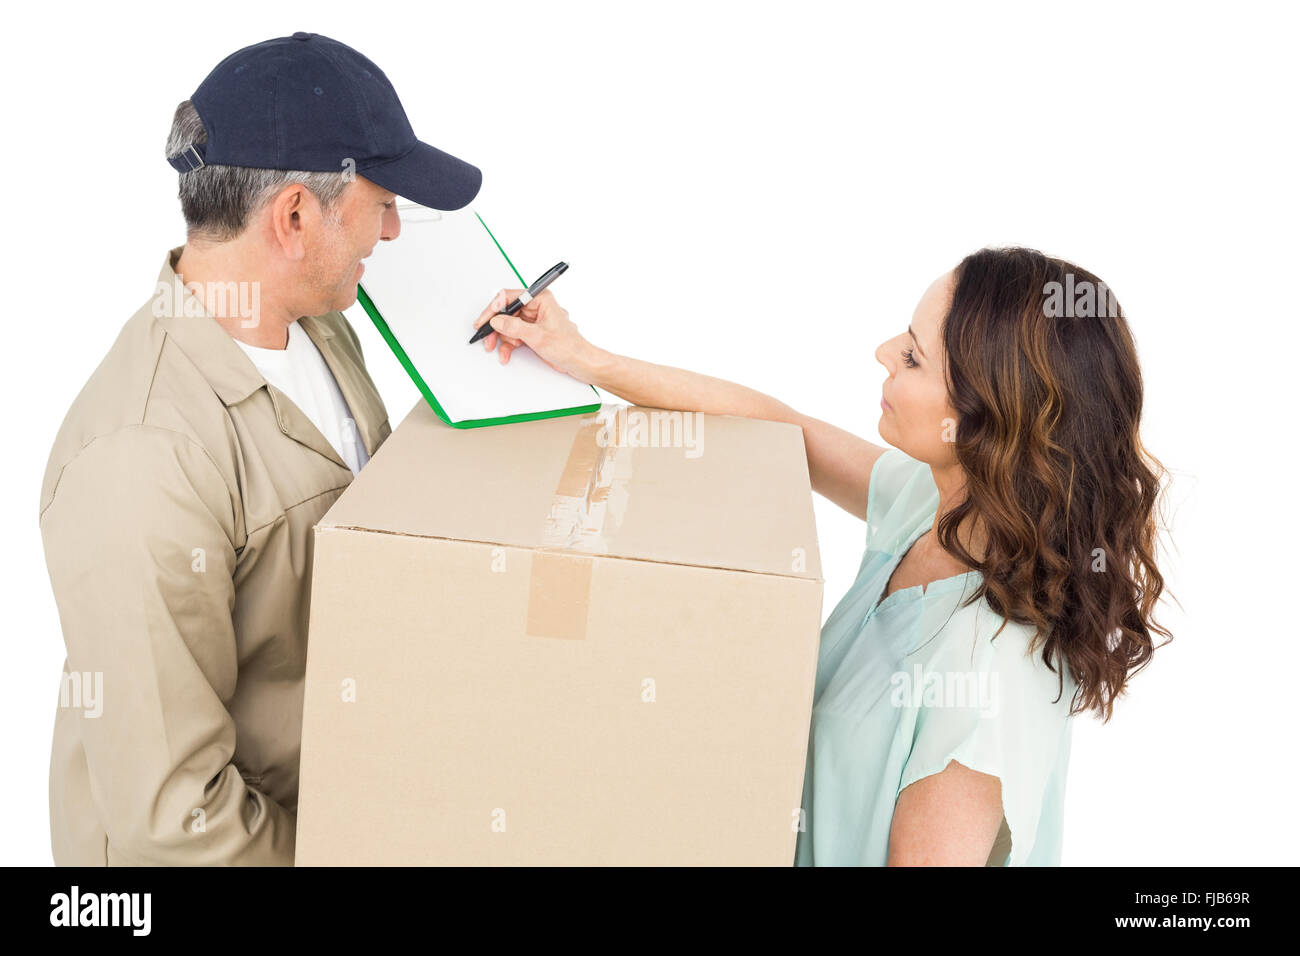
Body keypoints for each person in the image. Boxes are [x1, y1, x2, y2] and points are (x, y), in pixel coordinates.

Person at [472, 246, 1172, 865]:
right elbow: (785, 431)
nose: (881, 351)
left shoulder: (984, 679)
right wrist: (584, 357)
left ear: (983, 418)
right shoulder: (932, 510)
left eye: (912, 356)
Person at [40, 32, 480, 865]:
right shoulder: (140, 458)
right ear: (293, 217)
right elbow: (175, 824)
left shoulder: (318, 326)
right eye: (382, 202)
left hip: (345, 802)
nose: (391, 231)